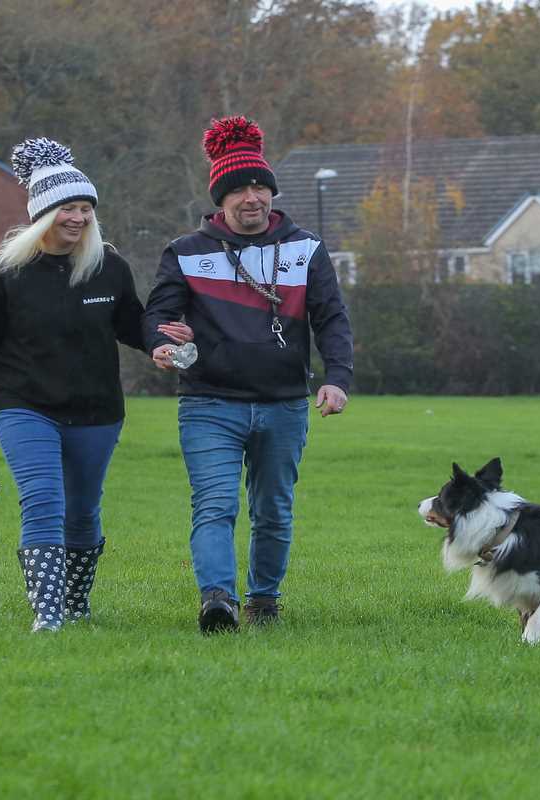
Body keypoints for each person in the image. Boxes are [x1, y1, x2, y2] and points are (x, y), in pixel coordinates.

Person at [0, 137, 191, 633]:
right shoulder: (6, 273)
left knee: (82, 512)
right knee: (42, 501)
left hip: (97, 410)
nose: (78, 218)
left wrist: (159, 343)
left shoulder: (108, 267)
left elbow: (132, 324)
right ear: (41, 214)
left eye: (85, 209)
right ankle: (47, 614)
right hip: (24, 406)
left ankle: (76, 603)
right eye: (67, 209)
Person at [143, 116, 354, 634]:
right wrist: (163, 346)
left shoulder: (306, 248)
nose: (251, 197)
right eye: (238, 189)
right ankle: (218, 599)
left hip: (285, 403)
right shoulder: (186, 251)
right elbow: (156, 316)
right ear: (221, 199)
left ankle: (264, 600)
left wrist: (337, 377)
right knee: (214, 505)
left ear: (271, 192)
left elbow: (332, 318)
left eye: (259, 185)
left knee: (273, 511)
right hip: (210, 403)